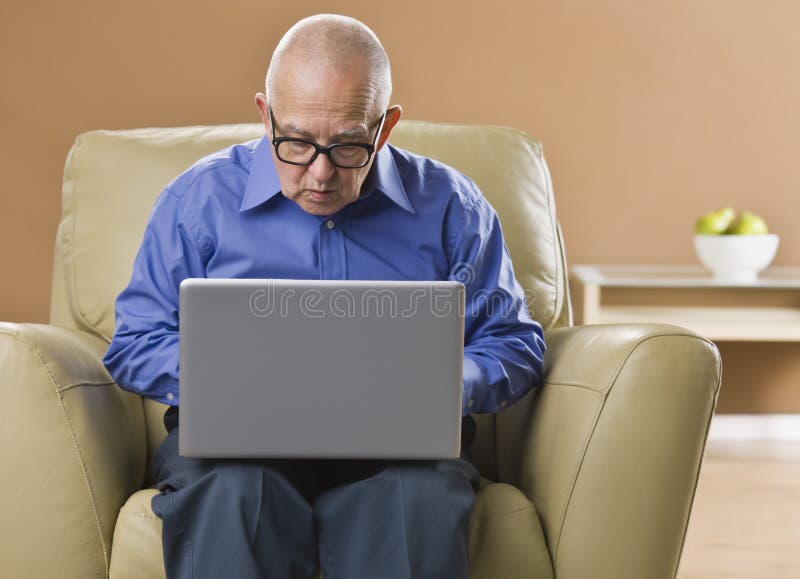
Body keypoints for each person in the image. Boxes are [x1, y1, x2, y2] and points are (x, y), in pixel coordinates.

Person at [103, 13, 545, 579]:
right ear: (266, 116)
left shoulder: (453, 208)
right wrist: (226, 379)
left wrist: (450, 382)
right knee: (233, 492)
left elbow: (513, 342)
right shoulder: (198, 200)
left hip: (402, 457)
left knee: (419, 502)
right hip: (234, 454)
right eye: (296, 143)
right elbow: (135, 340)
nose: (319, 173)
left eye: (347, 147)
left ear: (384, 129)